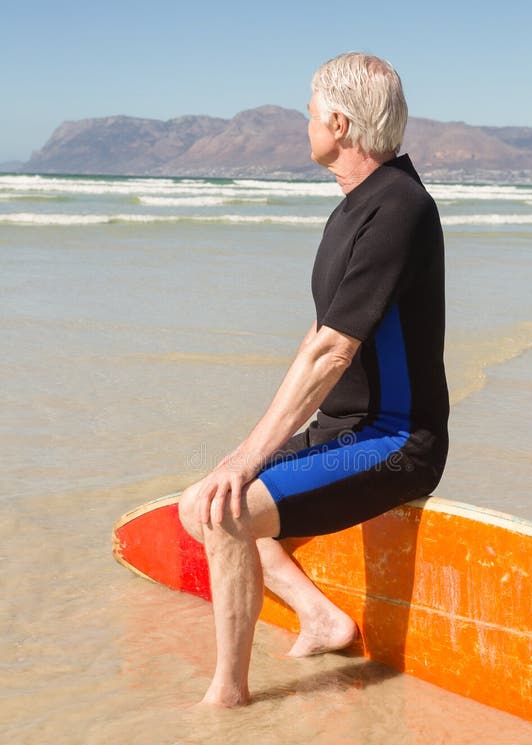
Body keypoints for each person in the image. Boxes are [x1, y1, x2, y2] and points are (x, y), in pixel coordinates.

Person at [178, 52, 449, 707]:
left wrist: (251, 459)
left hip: (393, 438)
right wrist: (253, 450)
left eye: (309, 112)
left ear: (340, 121)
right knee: (200, 505)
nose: (306, 124)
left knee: (229, 511)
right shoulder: (353, 209)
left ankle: (228, 695)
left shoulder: (398, 207)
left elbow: (333, 351)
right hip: (344, 429)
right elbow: (319, 335)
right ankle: (323, 618)